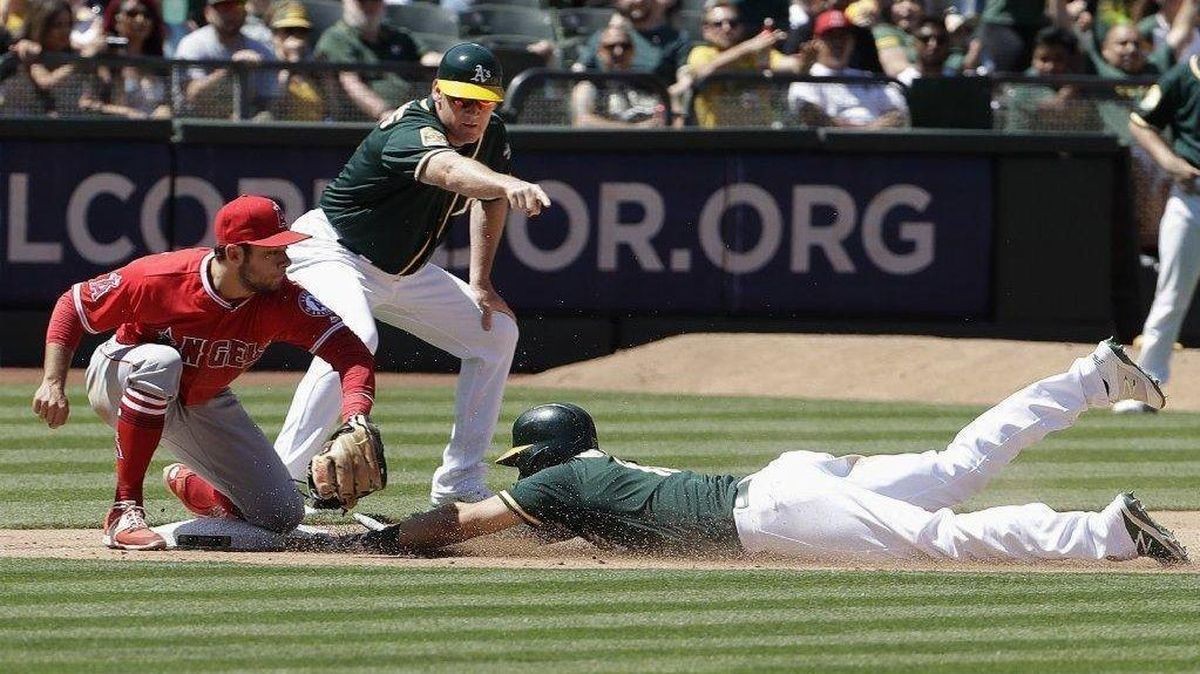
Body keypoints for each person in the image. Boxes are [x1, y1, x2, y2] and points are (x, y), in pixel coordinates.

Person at [342, 341, 1189, 567]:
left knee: (944, 539)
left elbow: (466, 522)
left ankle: (1104, 532)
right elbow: (511, 531)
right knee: (962, 464)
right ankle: (1087, 379)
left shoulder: (565, 480)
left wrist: (381, 539)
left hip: (777, 513)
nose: (527, 474)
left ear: (544, 458)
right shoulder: (597, 479)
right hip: (786, 481)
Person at [273, 42, 551, 508]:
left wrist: (481, 283)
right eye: (462, 100)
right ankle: (277, 483)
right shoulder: (409, 129)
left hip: (402, 270)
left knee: (496, 332)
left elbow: (488, 200)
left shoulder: (491, 132)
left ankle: (459, 482)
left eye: (483, 102)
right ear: (437, 92)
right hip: (333, 251)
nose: (472, 113)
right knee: (354, 335)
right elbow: (449, 170)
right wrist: (505, 181)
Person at [31, 195, 378, 550]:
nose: (284, 260)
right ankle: (124, 509)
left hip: (200, 399)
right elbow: (72, 306)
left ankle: (201, 488)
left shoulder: (283, 300)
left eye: (283, 249)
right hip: (121, 376)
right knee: (161, 362)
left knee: (281, 515)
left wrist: (356, 418)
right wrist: (53, 382)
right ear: (234, 253)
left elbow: (352, 354)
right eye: (270, 252)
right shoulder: (161, 277)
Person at [1120, 54, 1200, 413]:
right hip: (1192, 197)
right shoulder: (1184, 75)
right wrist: (1169, 162)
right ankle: (1145, 386)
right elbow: (1141, 122)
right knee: (1171, 294)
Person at [677, 0, 805, 127]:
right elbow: (703, 71)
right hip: (718, 139)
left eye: (733, 23)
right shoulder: (701, 52)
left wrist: (808, 58)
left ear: (741, 27)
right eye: (718, 24)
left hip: (758, 136)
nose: (726, 28)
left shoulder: (756, 52)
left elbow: (793, 66)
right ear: (706, 30)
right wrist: (747, 47)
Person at [787, 9, 907, 127]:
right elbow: (804, 109)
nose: (838, 43)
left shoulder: (867, 78)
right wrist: (850, 133)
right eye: (831, 37)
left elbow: (899, 112)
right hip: (829, 144)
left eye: (843, 37)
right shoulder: (809, 77)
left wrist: (868, 132)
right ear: (817, 42)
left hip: (875, 142)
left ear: (852, 41)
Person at [312, 0, 427, 122]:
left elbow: (427, 58)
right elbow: (350, 82)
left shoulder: (399, 36)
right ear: (347, 3)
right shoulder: (337, 37)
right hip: (364, 124)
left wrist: (445, 61)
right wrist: (385, 113)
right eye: (362, 3)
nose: (369, 7)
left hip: (411, 117)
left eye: (374, 2)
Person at [174, 0, 276, 118]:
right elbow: (193, 96)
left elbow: (270, 101)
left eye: (237, 6)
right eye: (224, 8)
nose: (231, 13)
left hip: (246, 127)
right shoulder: (193, 44)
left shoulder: (261, 49)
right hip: (198, 125)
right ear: (208, 13)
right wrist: (229, 70)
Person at [79, 0, 170, 118]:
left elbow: (171, 101)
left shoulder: (158, 61)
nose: (140, 20)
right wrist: (125, 112)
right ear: (116, 19)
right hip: (115, 131)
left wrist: (166, 109)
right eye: (131, 14)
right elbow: (87, 103)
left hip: (155, 132)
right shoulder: (105, 60)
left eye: (147, 15)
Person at [570, 24, 668, 128]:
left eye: (625, 46)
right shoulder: (588, 87)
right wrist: (635, 129)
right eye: (610, 47)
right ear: (599, 52)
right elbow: (582, 122)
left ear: (633, 51)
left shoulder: (648, 83)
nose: (618, 52)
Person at [267, 0, 324, 121]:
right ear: (274, 34)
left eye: (301, 31)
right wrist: (292, 62)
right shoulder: (266, 66)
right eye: (288, 30)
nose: (295, 37)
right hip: (280, 135)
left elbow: (334, 110)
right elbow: (275, 110)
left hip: (315, 134)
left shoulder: (315, 69)